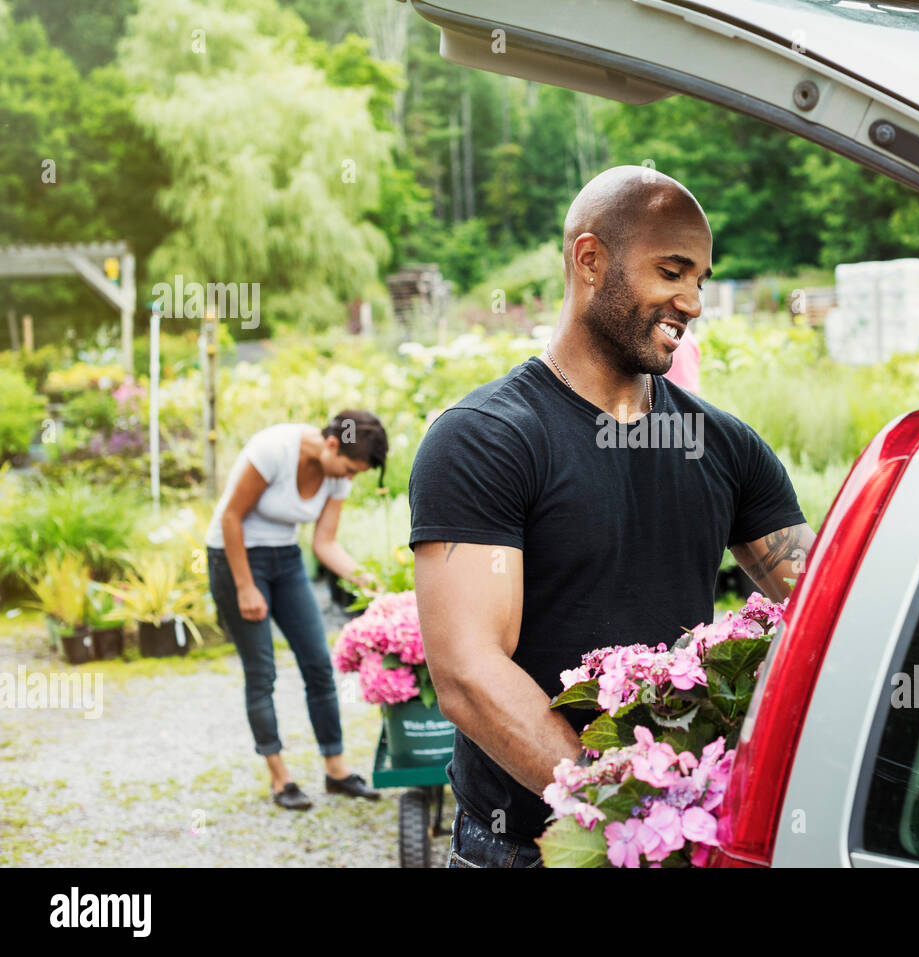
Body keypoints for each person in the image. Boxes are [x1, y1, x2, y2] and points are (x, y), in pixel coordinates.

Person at [408, 166, 817, 867]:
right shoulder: (486, 437)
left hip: (671, 842)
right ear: (590, 260)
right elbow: (470, 673)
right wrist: (626, 808)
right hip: (527, 848)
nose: (692, 301)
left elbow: (820, 600)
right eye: (672, 270)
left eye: (701, 279)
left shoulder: (724, 445)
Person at [205, 410, 388, 810]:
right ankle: (279, 778)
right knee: (262, 670)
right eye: (349, 468)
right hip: (235, 557)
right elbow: (231, 517)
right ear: (331, 444)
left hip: (286, 559)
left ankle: (337, 770)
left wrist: (373, 585)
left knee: (319, 664)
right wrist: (244, 586)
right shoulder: (273, 450)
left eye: (357, 473)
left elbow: (325, 544)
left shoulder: (339, 473)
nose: (349, 479)